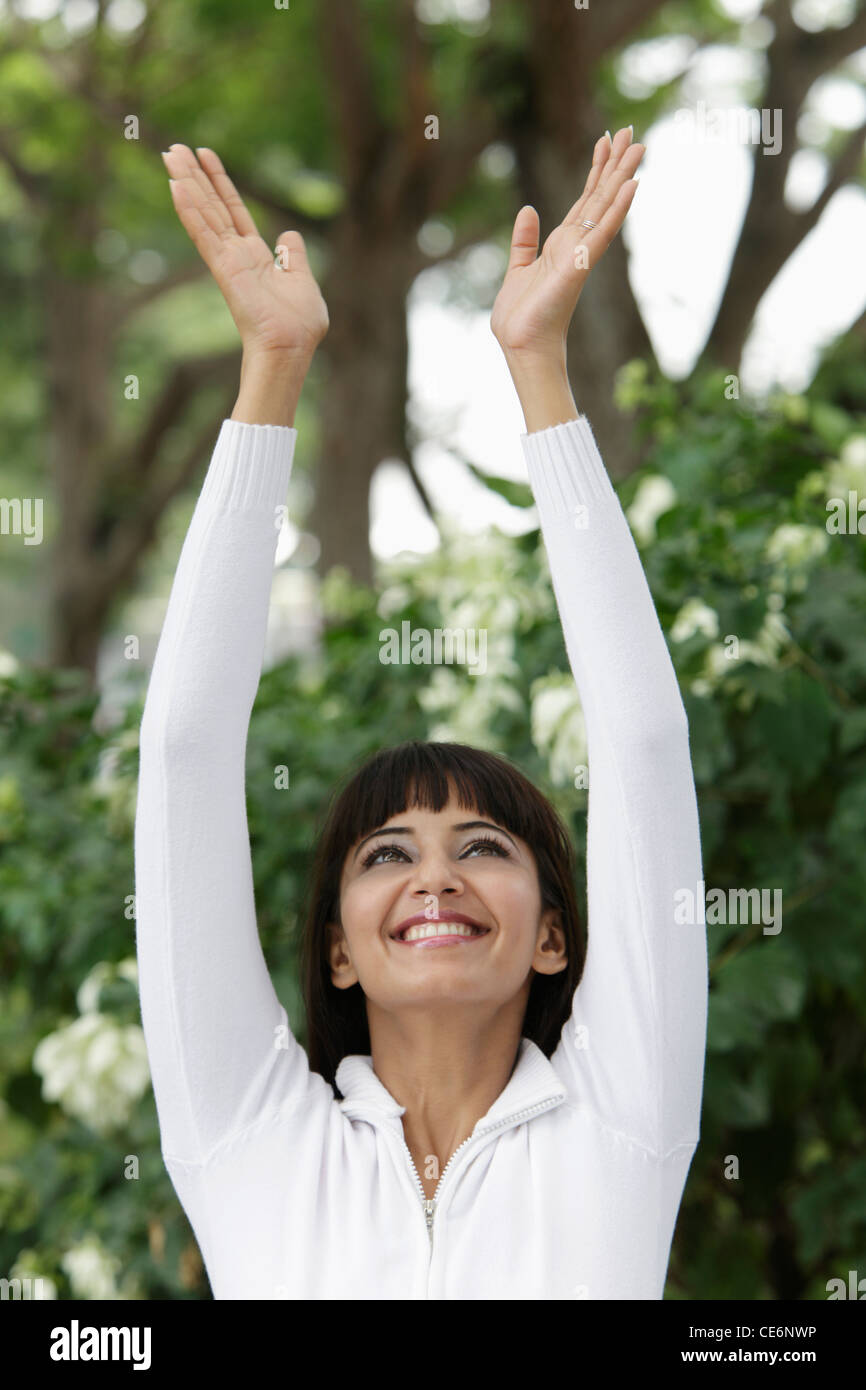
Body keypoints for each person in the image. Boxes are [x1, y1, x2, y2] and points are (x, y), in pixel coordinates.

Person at [134, 129, 708, 1300]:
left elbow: (644, 745)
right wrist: (272, 368)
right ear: (338, 947)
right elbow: (185, 753)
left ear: (552, 935)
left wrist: (537, 371)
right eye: (387, 852)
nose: (433, 879)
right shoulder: (246, 1137)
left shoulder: (622, 1119)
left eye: (483, 848)